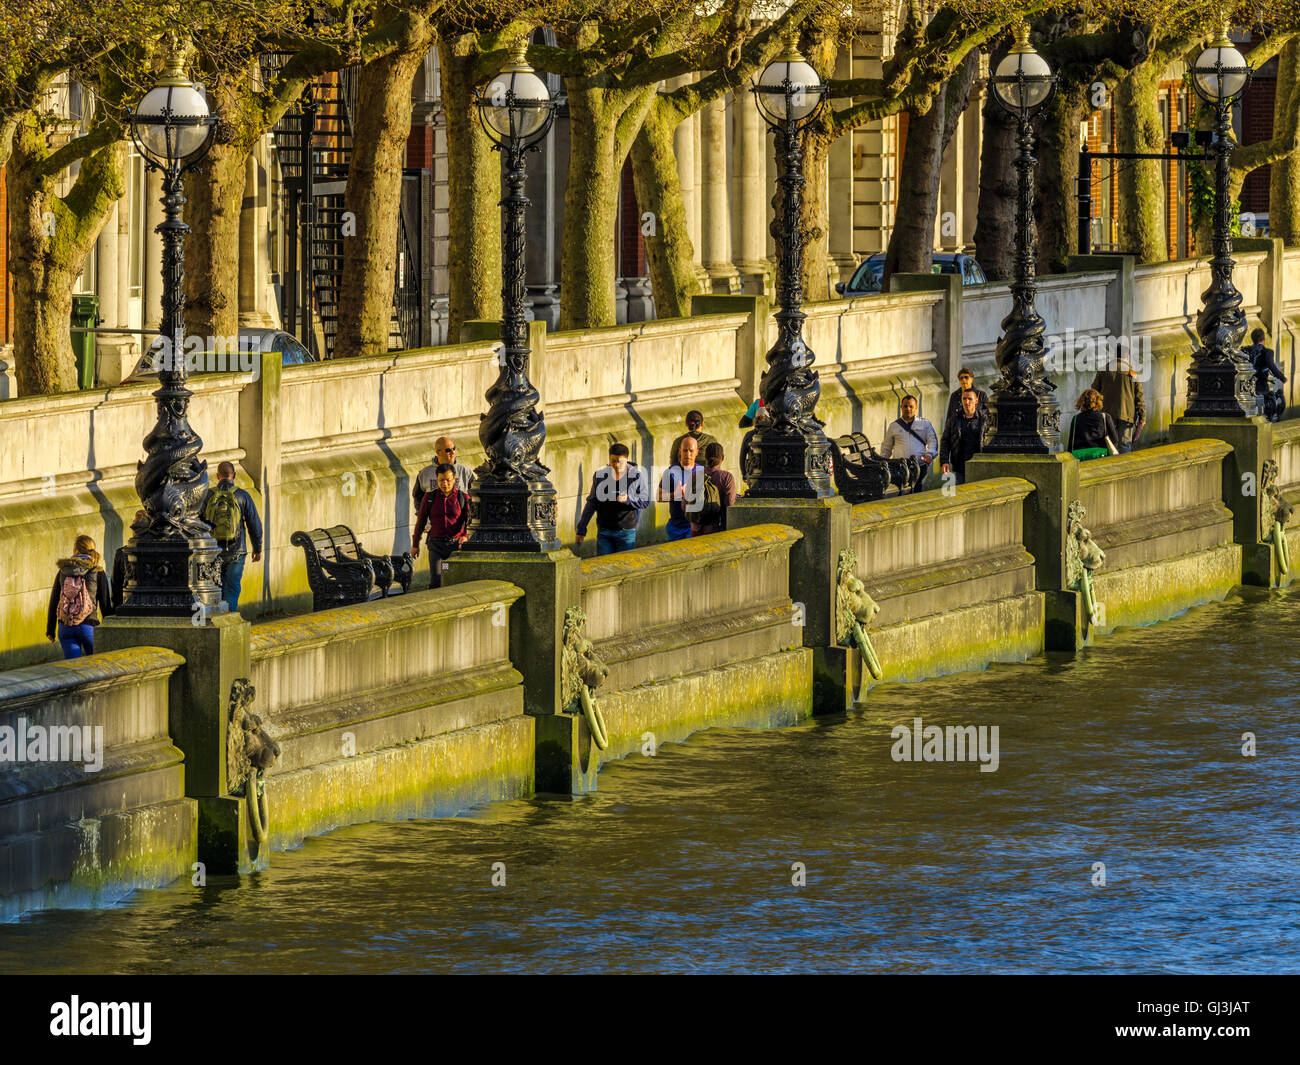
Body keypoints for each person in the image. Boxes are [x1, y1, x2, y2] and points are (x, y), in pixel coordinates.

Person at [198, 461, 263, 613]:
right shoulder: (242, 495)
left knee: (215, 587)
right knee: (232, 589)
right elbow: (255, 524)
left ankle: (216, 621)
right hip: (237, 551)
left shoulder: (207, 495)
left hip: (213, 552)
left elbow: (198, 522)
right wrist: (257, 548)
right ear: (234, 476)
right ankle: (229, 620)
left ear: (217, 476)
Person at [575, 443, 651, 554]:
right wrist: (581, 529)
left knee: (624, 567)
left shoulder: (636, 476)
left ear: (626, 460)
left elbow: (645, 501)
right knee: (603, 566)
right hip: (604, 530)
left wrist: (628, 500)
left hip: (626, 532)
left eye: (620, 462)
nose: (616, 465)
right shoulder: (600, 476)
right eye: (613, 461)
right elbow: (592, 502)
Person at [46, 535, 113, 659]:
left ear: (75, 550)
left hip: (66, 626)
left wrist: (50, 629)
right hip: (89, 626)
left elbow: (54, 600)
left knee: (74, 669)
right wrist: (111, 631)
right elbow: (105, 604)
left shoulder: (63, 571)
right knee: (95, 667)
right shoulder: (97, 572)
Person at [412, 463, 470, 588]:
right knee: (436, 580)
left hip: (455, 546)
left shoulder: (462, 497)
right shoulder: (430, 497)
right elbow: (421, 521)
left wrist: (465, 536)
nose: (445, 484)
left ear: (454, 479)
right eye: (441, 480)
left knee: (453, 580)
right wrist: (415, 544)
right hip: (436, 546)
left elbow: (468, 521)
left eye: (448, 480)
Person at [1090, 350, 1145, 453]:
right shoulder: (1133, 374)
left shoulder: (1103, 371)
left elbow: (1094, 393)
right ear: (1127, 356)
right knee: (1125, 446)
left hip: (1106, 415)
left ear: (1114, 355)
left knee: (1109, 446)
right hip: (1127, 416)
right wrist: (1142, 418)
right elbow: (1139, 398)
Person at [880, 395, 938, 492]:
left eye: (911, 406)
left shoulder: (925, 424)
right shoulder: (893, 426)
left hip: (920, 467)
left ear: (916, 407)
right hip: (899, 468)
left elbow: (933, 441)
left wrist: (930, 454)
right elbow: (886, 448)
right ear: (901, 407)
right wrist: (882, 463)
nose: (908, 409)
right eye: (905, 406)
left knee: (918, 494)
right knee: (900, 494)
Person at [658, 436, 704, 541]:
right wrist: (675, 495)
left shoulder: (702, 472)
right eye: (685, 450)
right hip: (676, 527)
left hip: (695, 526)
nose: (688, 454)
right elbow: (659, 497)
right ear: (680, 451)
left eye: (691, 451)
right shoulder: (670, 471)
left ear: (697, 452)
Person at [940, 389, 986, 485]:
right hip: (960, 464)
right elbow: (945, 441)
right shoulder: (954, 419)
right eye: (964, 399)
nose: (967, 402)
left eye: (970, 399)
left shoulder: (985, 419)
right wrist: (944, 461)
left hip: (979, 463)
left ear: (976, 400)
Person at [414, 436, 474, 508]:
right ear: (438, 452)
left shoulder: (465, 472)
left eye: (454, 448)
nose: (452, 452)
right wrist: (421, 513)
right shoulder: (424, 474)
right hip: (434, 518)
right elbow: (417, 497)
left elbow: (475, 495)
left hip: (460, 518)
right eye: (448, 450)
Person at [693, 442, 738, 535]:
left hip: (696, 529)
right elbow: (729, 502)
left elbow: (684, 505)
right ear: (723, 458)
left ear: (705, 457)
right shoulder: (727, 477)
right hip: (716, 528)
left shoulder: (694, 475)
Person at [1245, 327, 1286, 422]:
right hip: (1262, 385)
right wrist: (1282, 377)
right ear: (1264, 339)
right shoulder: (1267, 352)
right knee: (1270, 400)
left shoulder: (1248, 350)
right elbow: (1271, 366)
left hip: (1248, 386)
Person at [1067, 388, 1120, 458]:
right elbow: (1115, 439)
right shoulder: (1105, 417)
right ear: (1098, 401)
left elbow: (1071, 443)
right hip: (1101, 456)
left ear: (1082, 402)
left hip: (1081, 457)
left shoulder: (1076, 418)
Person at [110, 510, 146, 611]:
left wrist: (115, 609)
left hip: (127, 604)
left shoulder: (121, 552)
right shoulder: (156, 551)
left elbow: (116, 585)